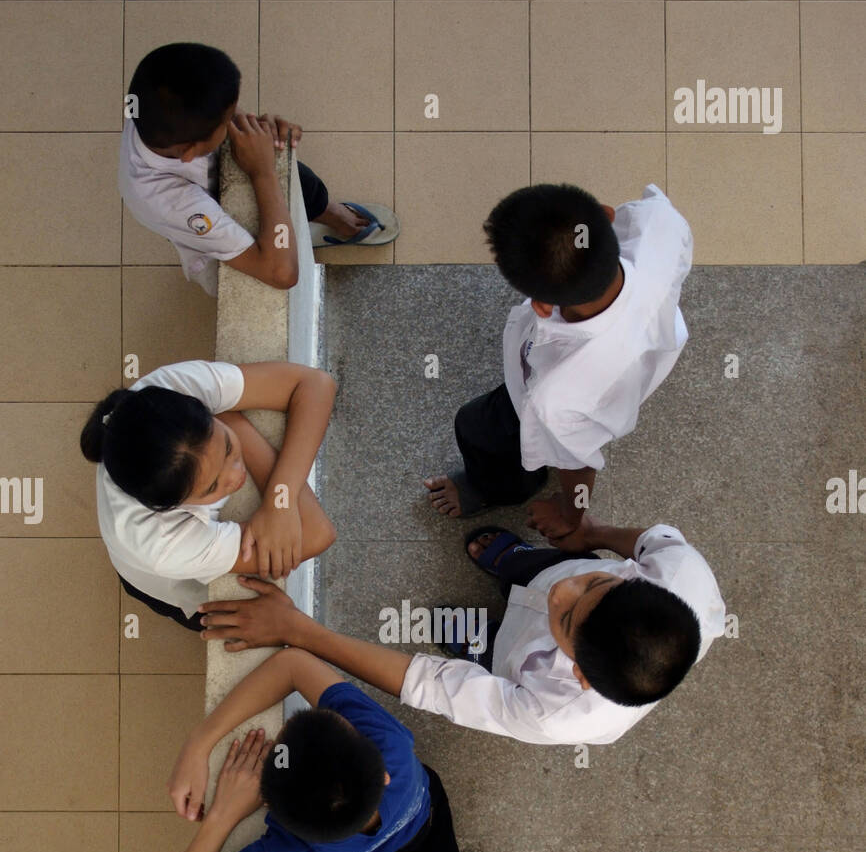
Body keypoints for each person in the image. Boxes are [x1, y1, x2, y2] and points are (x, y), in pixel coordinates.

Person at [193, 514, 726, 747]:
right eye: (596, 582)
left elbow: (433, 683)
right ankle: (516, 565)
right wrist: (589, 534)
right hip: (556, 575)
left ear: (582, 676)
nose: (561, 595)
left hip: (514, 667)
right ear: (646, 584)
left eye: (565, 621)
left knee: (493, 655)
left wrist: (302, 630)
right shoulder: (683, 574)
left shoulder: (552, 714)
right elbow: (649, 540)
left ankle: (486, 639)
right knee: (534, 571)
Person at [150, 647, 520, 852]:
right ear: (382, 772)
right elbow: (293, 665)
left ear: (275, 814)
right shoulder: (390, 746)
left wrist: (221, 813)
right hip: (424, 822)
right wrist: (199, 745)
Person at [425, 182, 692, 551]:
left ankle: (493, 488)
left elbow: (577, 462)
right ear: (605, 214)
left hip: (574, 394)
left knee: (477, 426)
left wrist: (571, 514)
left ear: (540, 306)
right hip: (652, 342)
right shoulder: (657, 221)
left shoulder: (558, 397)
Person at [120, 43, 399, 296]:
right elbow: (282, 274)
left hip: (210, 184)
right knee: (249, 272)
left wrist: (255, 128)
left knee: (302, 181)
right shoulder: (171, 202)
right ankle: (326, 220)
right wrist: (263, 171)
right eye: (228, 119)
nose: (238, 118)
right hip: (208, 237)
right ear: (191, 150)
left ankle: (330, 214)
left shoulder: (153, 114)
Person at [80, 358, 336, 630]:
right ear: (168, 507)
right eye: (212, 487)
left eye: (227, 447)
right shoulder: (163, 543)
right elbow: (317, 533)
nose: (237, 475)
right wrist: (232, 422)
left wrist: (279, 500)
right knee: (198, 614)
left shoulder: (167, 392)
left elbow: (317, 384)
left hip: (139, 542)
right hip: (157, 580)